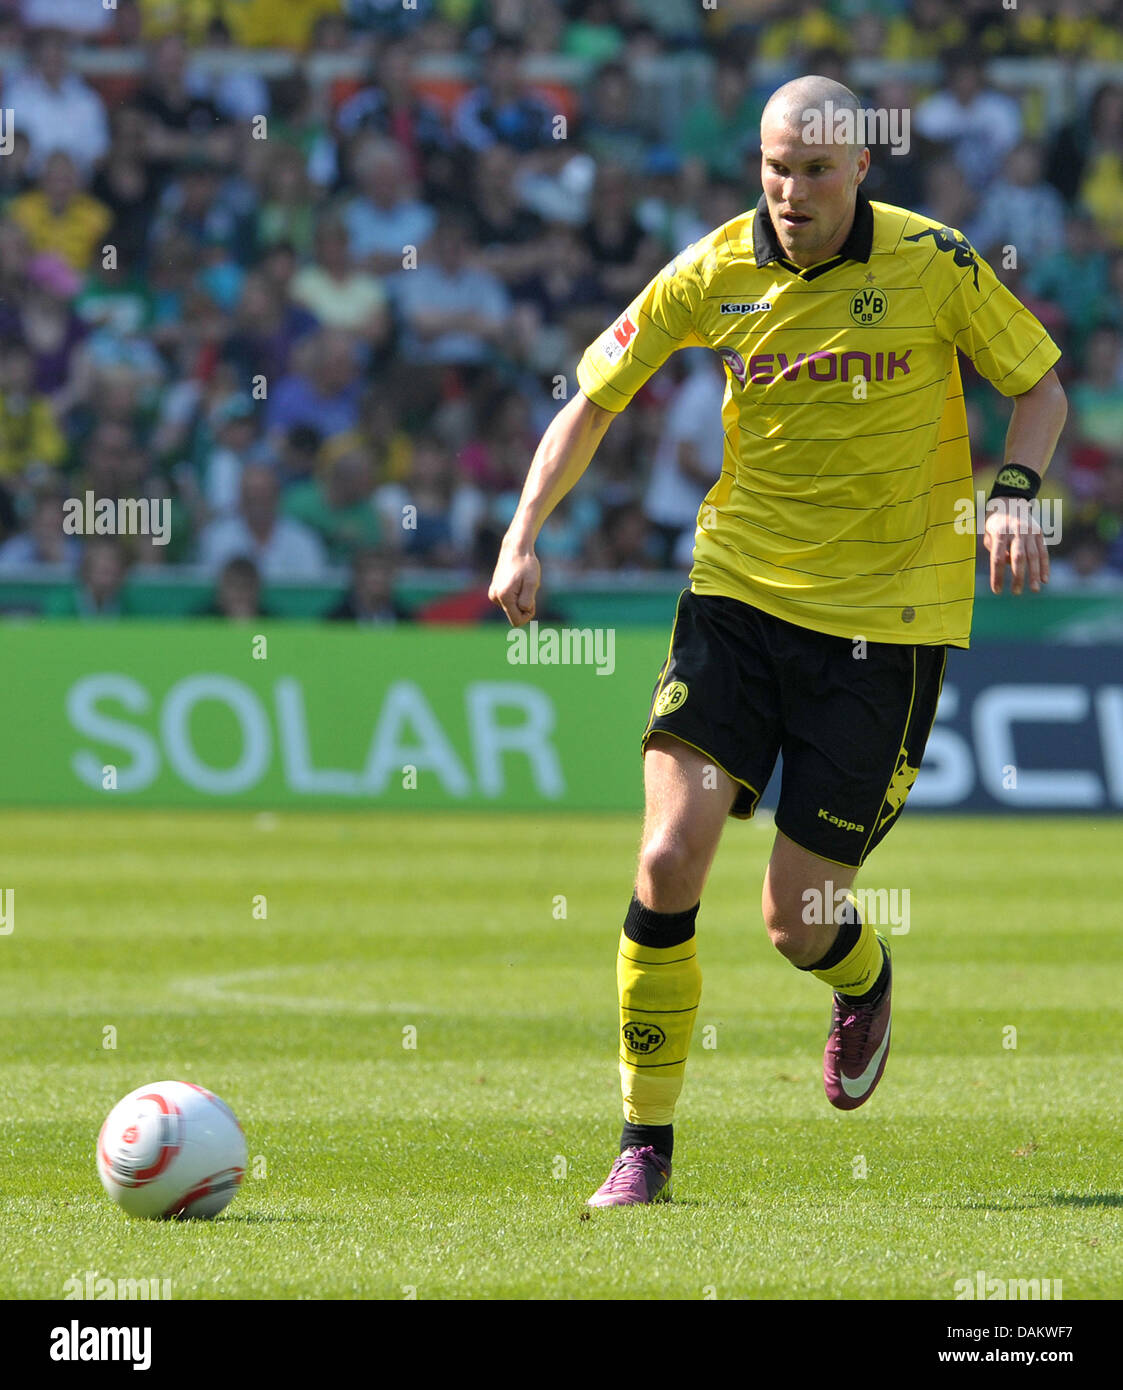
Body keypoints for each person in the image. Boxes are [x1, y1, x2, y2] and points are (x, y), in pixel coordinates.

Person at [487, 75, 1068, 1207]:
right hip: (739, 599)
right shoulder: (712, 271)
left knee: (795, 918)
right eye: (773, 170)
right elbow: (595, 396)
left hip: (889, 623)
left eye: (813, 172)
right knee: (665, 861)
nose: (790, 193)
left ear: (861, 169)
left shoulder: (934, 262)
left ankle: (862, 979)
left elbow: (1039, 387)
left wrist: (1011, 492)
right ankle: (643, 1146)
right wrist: (521, 533)